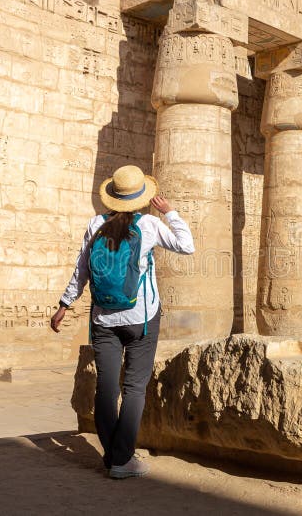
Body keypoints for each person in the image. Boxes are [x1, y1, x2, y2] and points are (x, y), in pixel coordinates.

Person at [50, 165, 194, 479]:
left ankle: (113, 456)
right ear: (141, 197)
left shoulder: (95, 224)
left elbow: (81, 270)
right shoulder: (150, 225)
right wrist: (170, 212)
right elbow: (187, 245)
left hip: (103, 318)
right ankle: (121, 460)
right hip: (142, 318)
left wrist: (64, 304)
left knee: (106, 388)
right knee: (134, 389)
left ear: (113, 196)